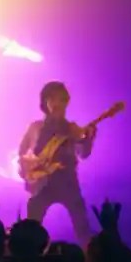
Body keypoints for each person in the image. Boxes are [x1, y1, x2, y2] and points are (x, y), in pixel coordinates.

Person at [18, 81, 95, 244]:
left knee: (82, 227)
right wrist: (27, 172)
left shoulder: (72, 128)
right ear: (45, 102)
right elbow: (21, 152)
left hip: (67, 183)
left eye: (61, 99)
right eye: (52, 99)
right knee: (31, 230)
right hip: (41, 185)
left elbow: (84, 154)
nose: (56, 104)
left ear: (66, 102)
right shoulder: (35, 127)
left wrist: (87, 139)